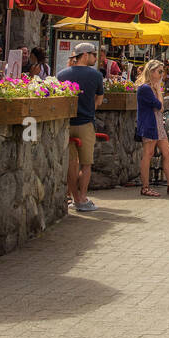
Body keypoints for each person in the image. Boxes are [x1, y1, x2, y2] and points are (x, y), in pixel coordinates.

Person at [56, 42, 105, 213]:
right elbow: (99, 98)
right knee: (86, 164)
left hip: (67, 124)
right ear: (85, 55)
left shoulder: (61, 74)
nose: (95, 57)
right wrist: (91, 107)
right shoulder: (96, 75)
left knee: (71, 164)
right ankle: (82, 199)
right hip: (85, 123)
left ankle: (73, 197)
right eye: (94, 54)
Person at [136, 60, 169, 196]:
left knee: (167, 153)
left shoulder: (153, 87)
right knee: (148, 154)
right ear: (151, 72)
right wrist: (158, 90)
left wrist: (157, 90)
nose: (162, 74)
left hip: (157, 125)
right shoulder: (145, 88)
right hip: (150, 125)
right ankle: (145, 187)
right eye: (160, 71)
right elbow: (160, 107)